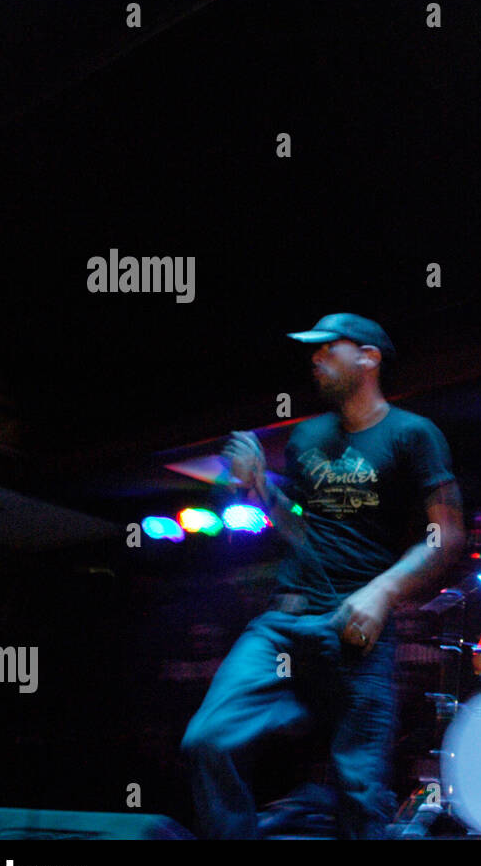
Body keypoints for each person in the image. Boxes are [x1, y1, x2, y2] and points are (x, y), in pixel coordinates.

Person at [181, 312, 464, 839]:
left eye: (327, 347)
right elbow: (300, 532)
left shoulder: (412, 434)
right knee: (209, 739)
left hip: (357, 636)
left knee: (360, 798)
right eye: (311, 350)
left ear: (369, 356)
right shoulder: (305, 437)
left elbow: (446, 535)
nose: (314, 357)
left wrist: (382, 592)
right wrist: (261, 486)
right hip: (285, 626)